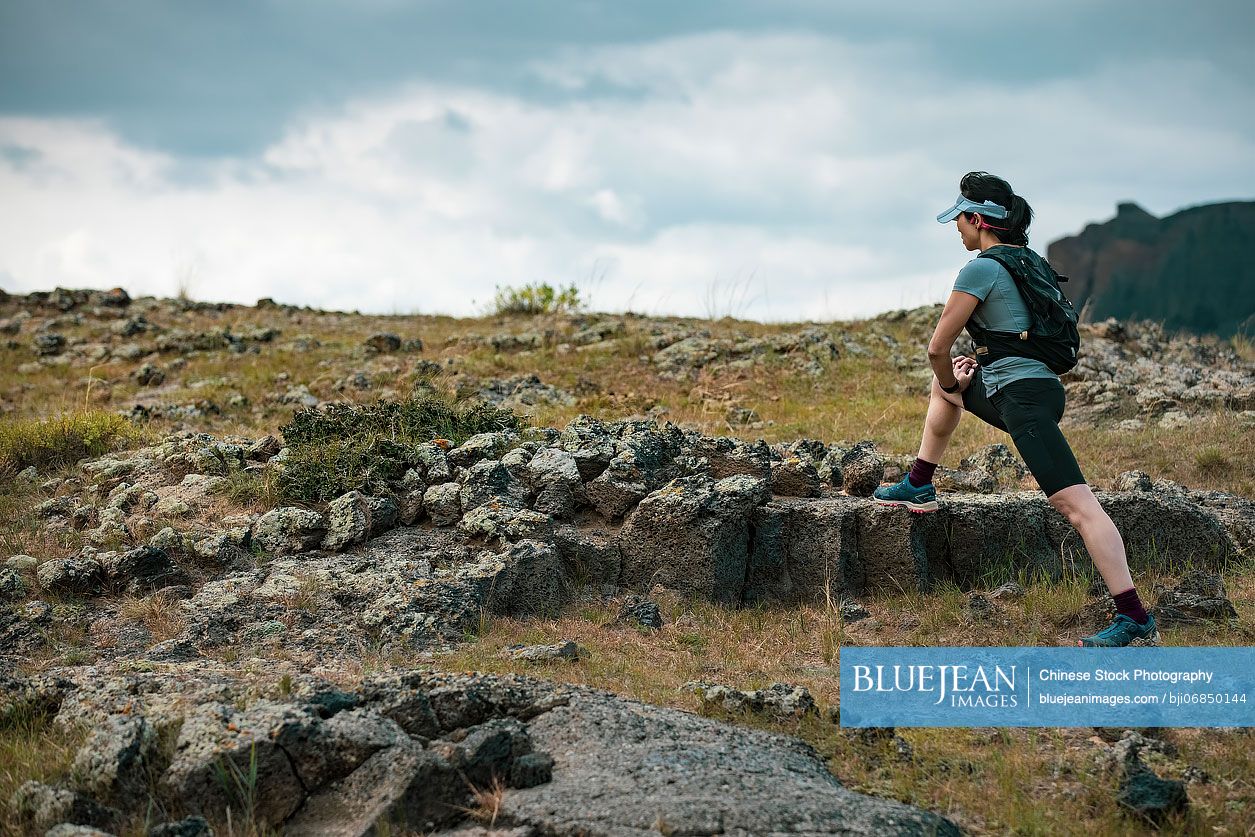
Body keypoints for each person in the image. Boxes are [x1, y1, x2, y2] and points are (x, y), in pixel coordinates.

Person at [872, 171, 1159, 648]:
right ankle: (919, 483)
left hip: (1022, 400)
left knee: (1078, 507)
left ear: (978, 220)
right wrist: (961, 382)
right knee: (943, 390)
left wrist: (955, 378)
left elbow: (937, 348)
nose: (956, 228)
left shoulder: (980, 269)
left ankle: (1135, 617)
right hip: (1034, 388)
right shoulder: (1029, 261)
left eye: (960, 219)